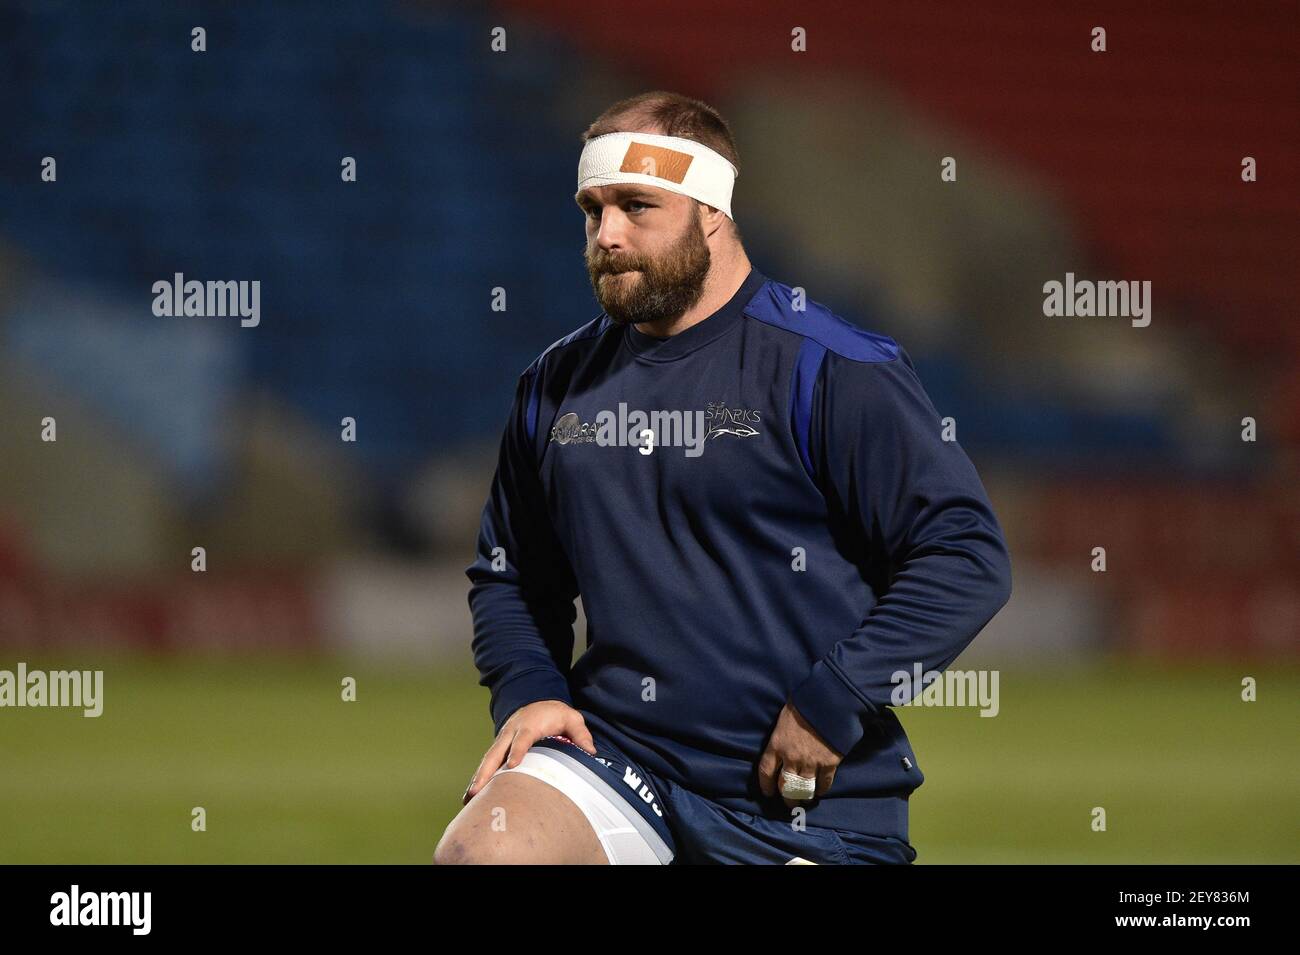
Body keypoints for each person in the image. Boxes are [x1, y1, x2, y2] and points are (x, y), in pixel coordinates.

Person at [434, 91, 1012, 864]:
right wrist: (531, 688)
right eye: (592, 210)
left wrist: (835, 697)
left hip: (808, 803)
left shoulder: (832, 367)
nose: (607, 235)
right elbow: (510, 573)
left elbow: (967, 556)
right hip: (621, 763)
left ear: (712, 208)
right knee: (484, 852)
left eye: (637, 205)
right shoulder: (554, 386)